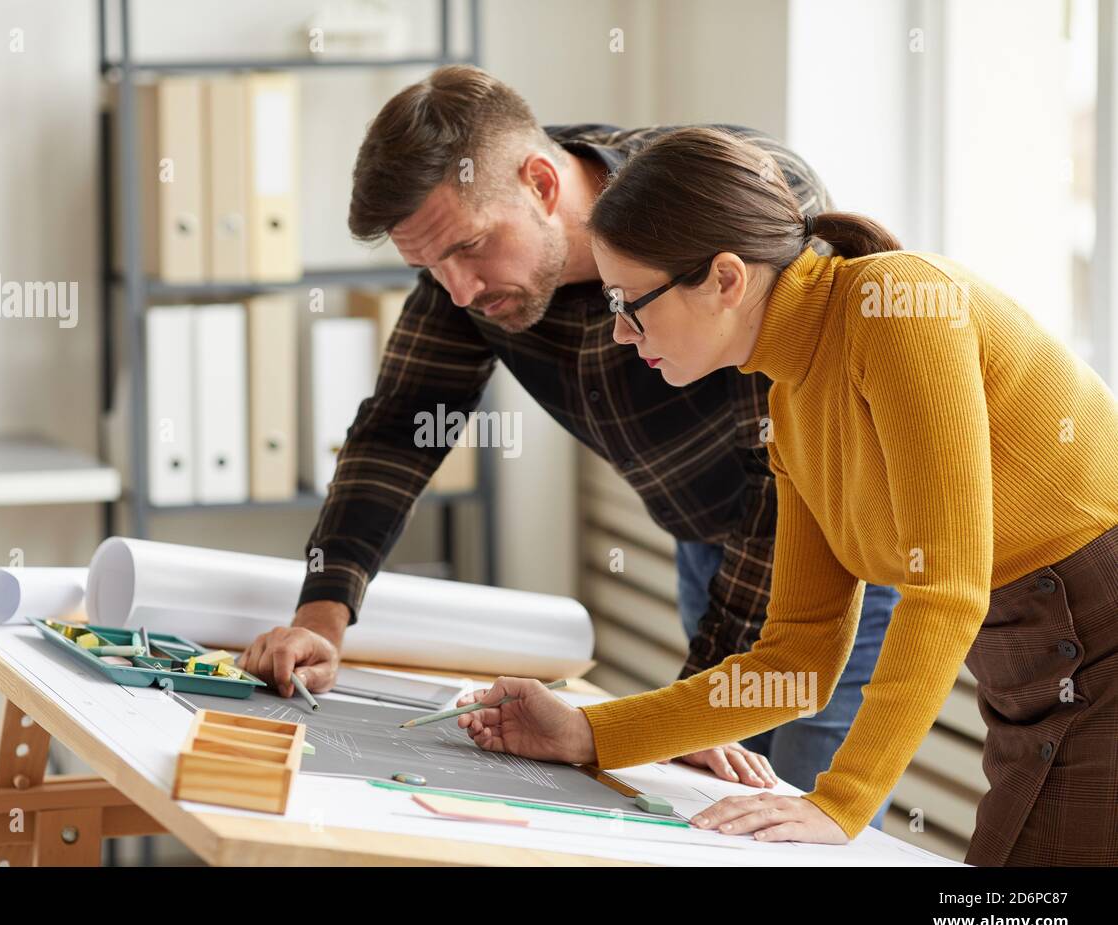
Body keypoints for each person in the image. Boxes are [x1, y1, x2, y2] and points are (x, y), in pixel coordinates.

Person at [235, 65, 902, 813]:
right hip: (706, 545)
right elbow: (399, 430)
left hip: (836, 548)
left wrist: (690, 705)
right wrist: (321, 618)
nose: (459, 291)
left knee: (796, 817)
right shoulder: (469, 265)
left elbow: (778, 482)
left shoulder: (726, 202)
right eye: (430, 267)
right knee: (711, 809)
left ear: (542, 185)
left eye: (469, 249)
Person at [456, 126, 1118, 865]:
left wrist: (841, 804)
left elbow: (948, 588)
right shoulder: (790, 400)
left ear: (726, 279)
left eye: (629, 301)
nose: (617, 332)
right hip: (1034, 663)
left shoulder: (899, 307)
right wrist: (590, 733)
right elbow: (794, 661)